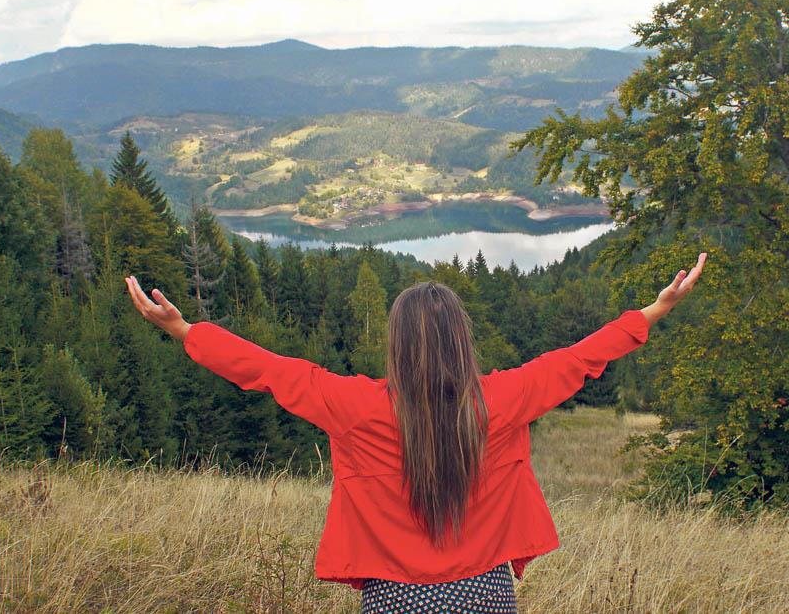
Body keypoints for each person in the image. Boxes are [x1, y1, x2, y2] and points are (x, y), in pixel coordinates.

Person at [125, 251, 706, 613]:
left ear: (396, 344)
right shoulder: (502, 400)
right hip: (486, 596)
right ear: (462, 339)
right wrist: (654, 311)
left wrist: (185, 330)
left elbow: (270, 372)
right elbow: (579, 358)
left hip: (393, 600)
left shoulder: (353, 406)